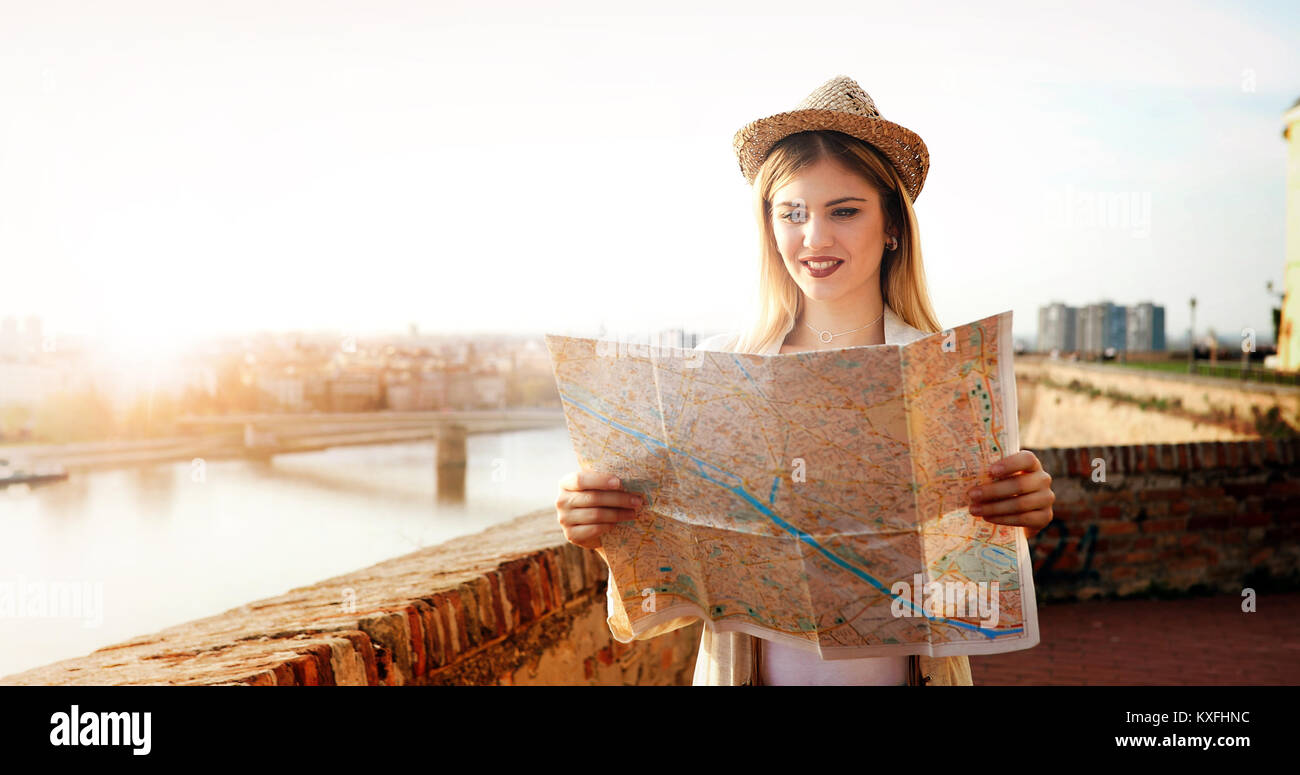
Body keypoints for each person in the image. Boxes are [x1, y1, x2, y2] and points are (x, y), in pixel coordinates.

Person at [556, 75, 1055, 685]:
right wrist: (601, 519)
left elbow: (970, 564)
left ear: (893, 225)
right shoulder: (713, 376)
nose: (815, 238)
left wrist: (1017, 514)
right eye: (792, 213)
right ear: (770, 227)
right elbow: (669, 563)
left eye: (844, 211)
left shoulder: (945, 375)